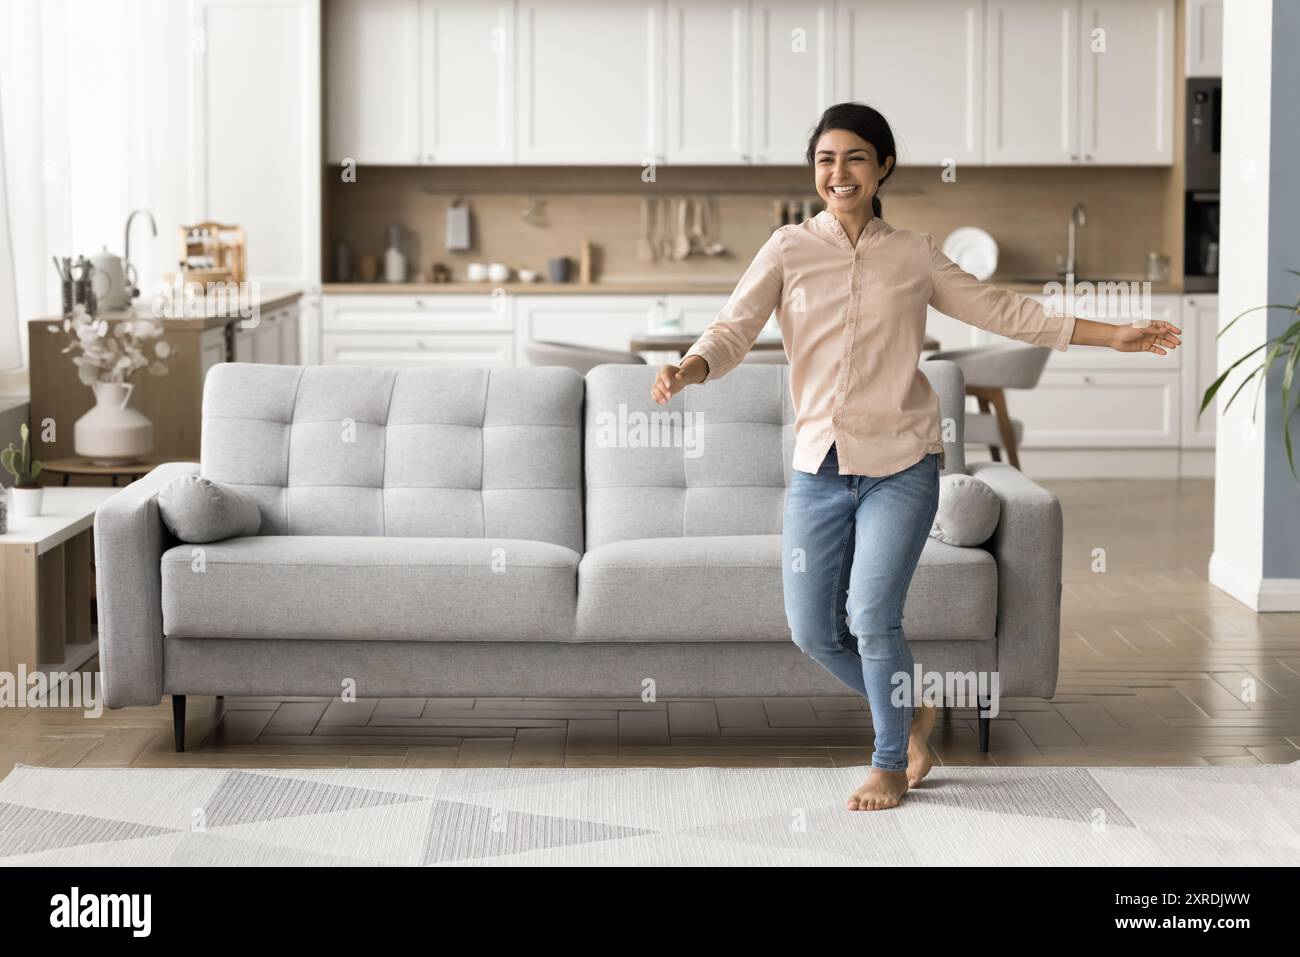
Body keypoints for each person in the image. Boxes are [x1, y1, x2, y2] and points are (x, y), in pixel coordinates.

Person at [650, 102, 1181, 811]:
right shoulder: (786, 248)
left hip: (902, 464)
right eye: (825, 160)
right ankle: (916, 707)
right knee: (813, 630)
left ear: (883, 167)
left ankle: (890, 761)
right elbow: (733, 328)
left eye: (855, 158)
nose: (838, 173)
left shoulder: (914, 253)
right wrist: (689, 367)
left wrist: (1109, 334)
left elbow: (1003, 310)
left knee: (872, 617)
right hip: (819, 468)